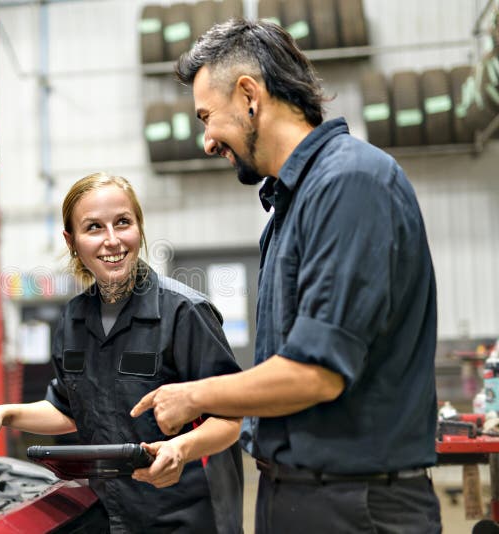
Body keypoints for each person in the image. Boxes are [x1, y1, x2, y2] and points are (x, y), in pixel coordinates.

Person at [130, 19, 442, 534]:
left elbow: (314, 373)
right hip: (301, 494)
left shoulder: (350, 183)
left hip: (354, 505)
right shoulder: (291, 204)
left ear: (249, 96)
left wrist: (194, 395)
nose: (207, 141)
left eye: (207, 117)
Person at [0, 172, 245, 533]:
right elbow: (69, 410)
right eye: (94, 227)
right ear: (71, 241)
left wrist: (182, 448)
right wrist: (3, 413)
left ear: (139, 228)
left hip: (186, 517)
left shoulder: (184, 313)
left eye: (123, 222)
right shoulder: (74, 319)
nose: (112, 240)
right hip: (111, 516)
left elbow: (230, 419)